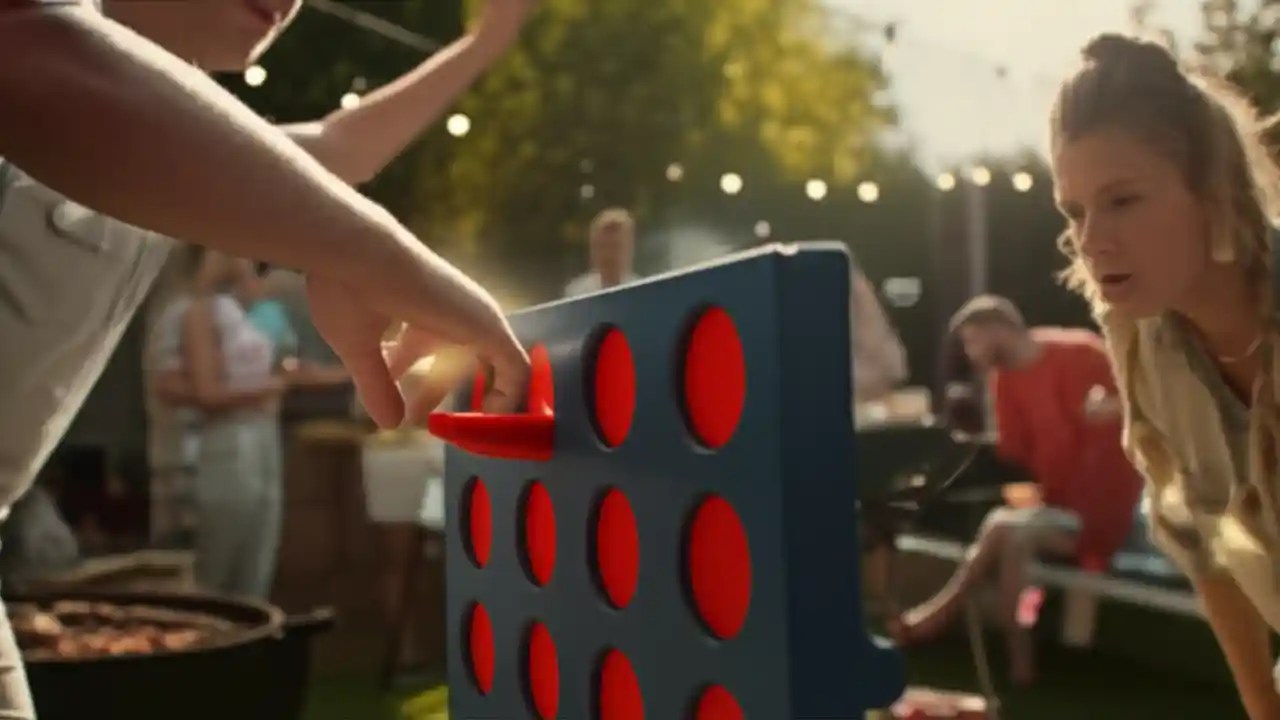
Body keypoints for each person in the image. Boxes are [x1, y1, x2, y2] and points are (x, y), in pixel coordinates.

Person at [0, 1, 532, 714]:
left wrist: (484, 45)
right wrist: (373, 252)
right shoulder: (59, 55)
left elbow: (334, 154)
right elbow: (34, 47)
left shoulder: (179, 157)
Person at [1051, 33, 1280, 719]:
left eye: (1123, 201)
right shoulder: (1148, 352)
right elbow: (1211, 550)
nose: (1092, 241)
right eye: (1075, 212)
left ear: (1211, 192)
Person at [890, 295, 1141, 685]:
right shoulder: (1004, 380)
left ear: (999, 329)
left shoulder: (1082, 353)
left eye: (974, 341)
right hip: (1058, 507)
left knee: (1009, 531)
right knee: (1005, 529)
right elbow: (1012, 450)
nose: (971, 355)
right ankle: (1006, 655)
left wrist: (1110, 409)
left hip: (1107, 507)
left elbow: (1144, 399)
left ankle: (952, 623)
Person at [564, 207, 640, 296]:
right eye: (602, 246)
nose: (608, 254)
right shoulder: (575, 294)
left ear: (630, 248)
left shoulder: (643, 294)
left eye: (615, 246)